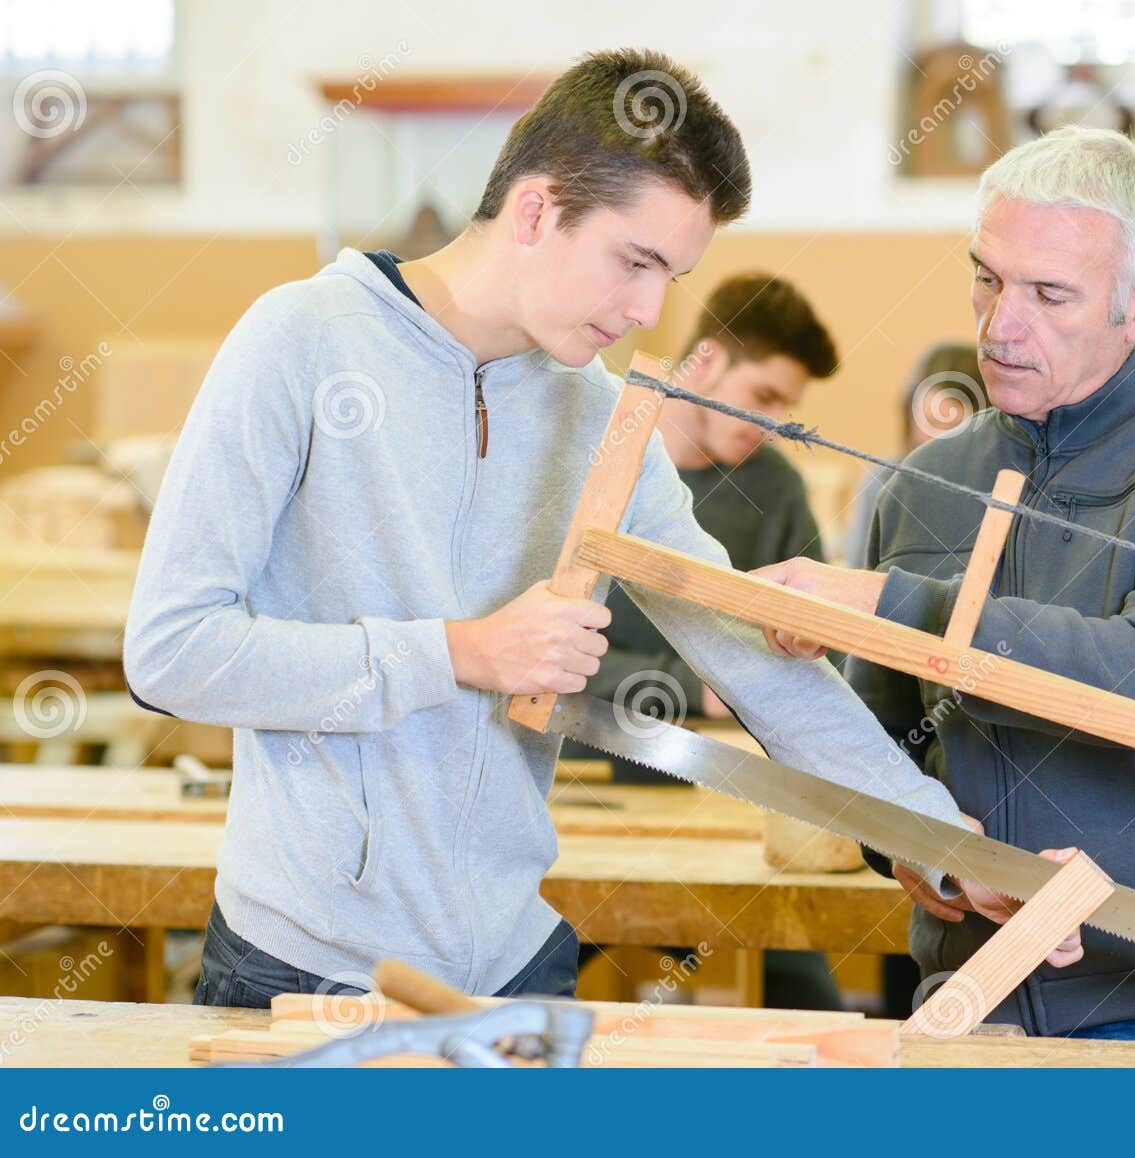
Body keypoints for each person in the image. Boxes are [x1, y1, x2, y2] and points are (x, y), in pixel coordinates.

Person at [122, 49, 966, 1008]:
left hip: (515, 965)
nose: (648, 310)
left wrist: (939, 838)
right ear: (534, 210)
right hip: (304, 963)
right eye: (634, 262)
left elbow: (750, 653)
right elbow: (171, 651)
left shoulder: (603, 418)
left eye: (672, 275)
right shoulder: (300, 341)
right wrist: (460, 653)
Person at [751, 125, 1135, 1062]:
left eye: (1049, 294)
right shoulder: (925, 482)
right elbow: (882, 743)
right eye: (987, 278)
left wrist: (896, 605)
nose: (1000, 324)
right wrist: (927, 851)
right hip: (968, 1002)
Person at [568, 271, 845, 1009]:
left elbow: (818, 655)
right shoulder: (596, 459)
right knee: (522, 992)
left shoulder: (775, 489)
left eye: (787, 408)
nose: (773, 423)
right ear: (709, 361)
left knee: (806, 1002)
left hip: (717, 798)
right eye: (764, 397)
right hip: (576, 786)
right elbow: (539, 654)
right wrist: (694, 686)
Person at [842, 342, 985, 568]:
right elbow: (857, 571)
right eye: (929, 421)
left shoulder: (998, 492)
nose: (937, 440)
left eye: (953, 426)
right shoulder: (883, 479)